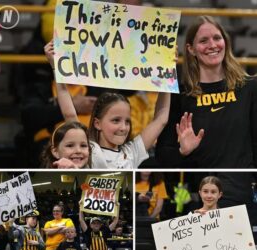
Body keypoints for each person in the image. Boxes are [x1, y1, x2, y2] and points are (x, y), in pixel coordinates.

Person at [44, 40, 200, 169]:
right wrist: (55, 66)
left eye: (127, 121)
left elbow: (161, 119)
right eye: (115, 120)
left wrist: (167, 71)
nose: (123, 127)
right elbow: (69, 113)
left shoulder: (132, 152)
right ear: (97, 123)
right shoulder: (90, 149)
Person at [156, 15, 257, 168]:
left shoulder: (250, 88)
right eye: (203, 41)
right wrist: (182, 151)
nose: (212, 45)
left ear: (225, 42)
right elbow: (162, 154)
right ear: (191, 49)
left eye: (217, 38)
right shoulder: (180, 93)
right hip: (198, 188)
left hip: (241, 187)